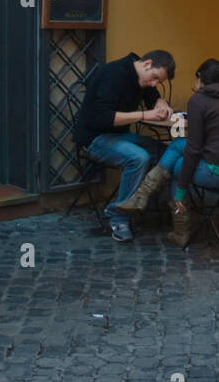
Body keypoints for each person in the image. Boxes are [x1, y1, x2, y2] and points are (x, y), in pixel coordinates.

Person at [126, 58, 219, 247]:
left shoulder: (199, 100)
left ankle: (174, 224)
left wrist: (181, 191)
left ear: (200, 79)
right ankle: (144, 198)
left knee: (178, 167)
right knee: (178, 146)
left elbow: (194, 150)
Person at [74, 49, 176, 241]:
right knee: (138, 158)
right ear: (147, 64)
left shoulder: (141, 74)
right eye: (154, 78)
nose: (154, 83)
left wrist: (160, 102)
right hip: (95, 138)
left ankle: (155, 206)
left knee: (167, 152)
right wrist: (145, 115)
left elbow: (151, 95)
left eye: (158, 81)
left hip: (120, 136)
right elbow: (103, 117)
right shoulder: (114, 75)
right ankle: (118, 217)